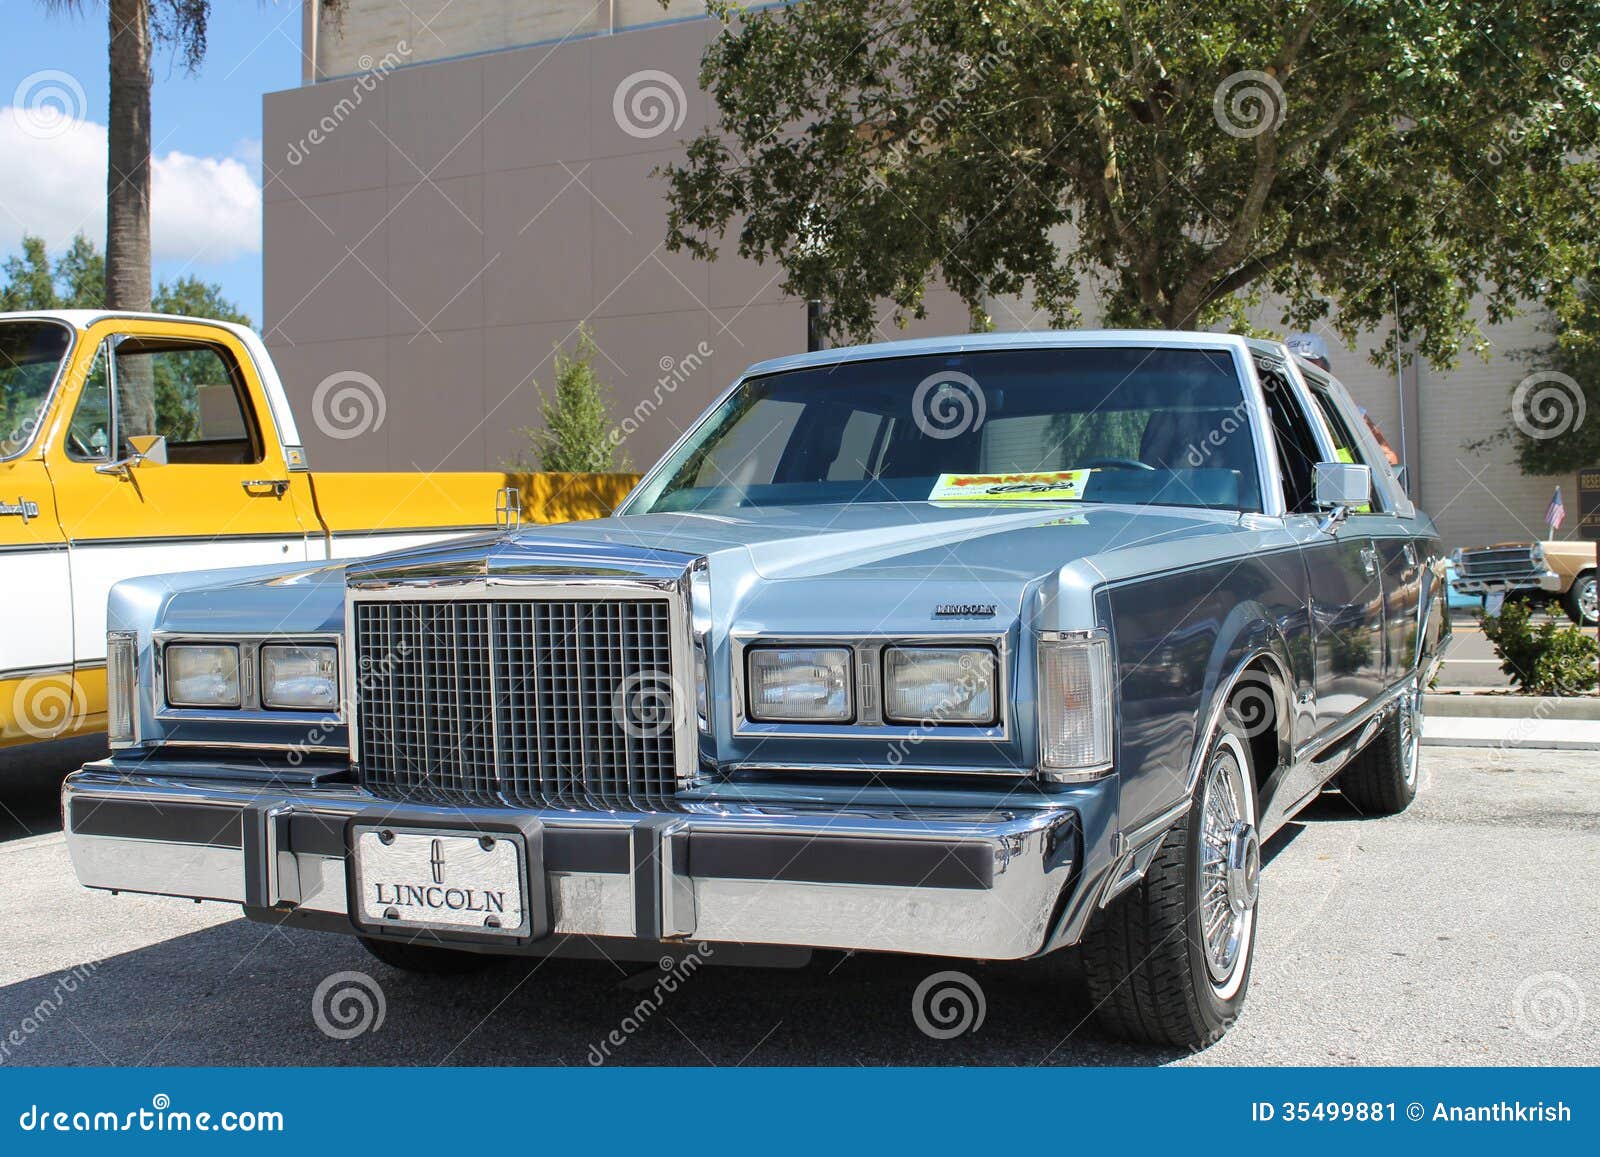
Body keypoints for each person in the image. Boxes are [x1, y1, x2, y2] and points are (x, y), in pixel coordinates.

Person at [1285, 332, 1402, 467]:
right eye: (1295, 364)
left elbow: (1388, 457)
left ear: (1325, 369)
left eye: (1309, 364)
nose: (1301, 370)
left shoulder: (1347, 412)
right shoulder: (1267, 410)